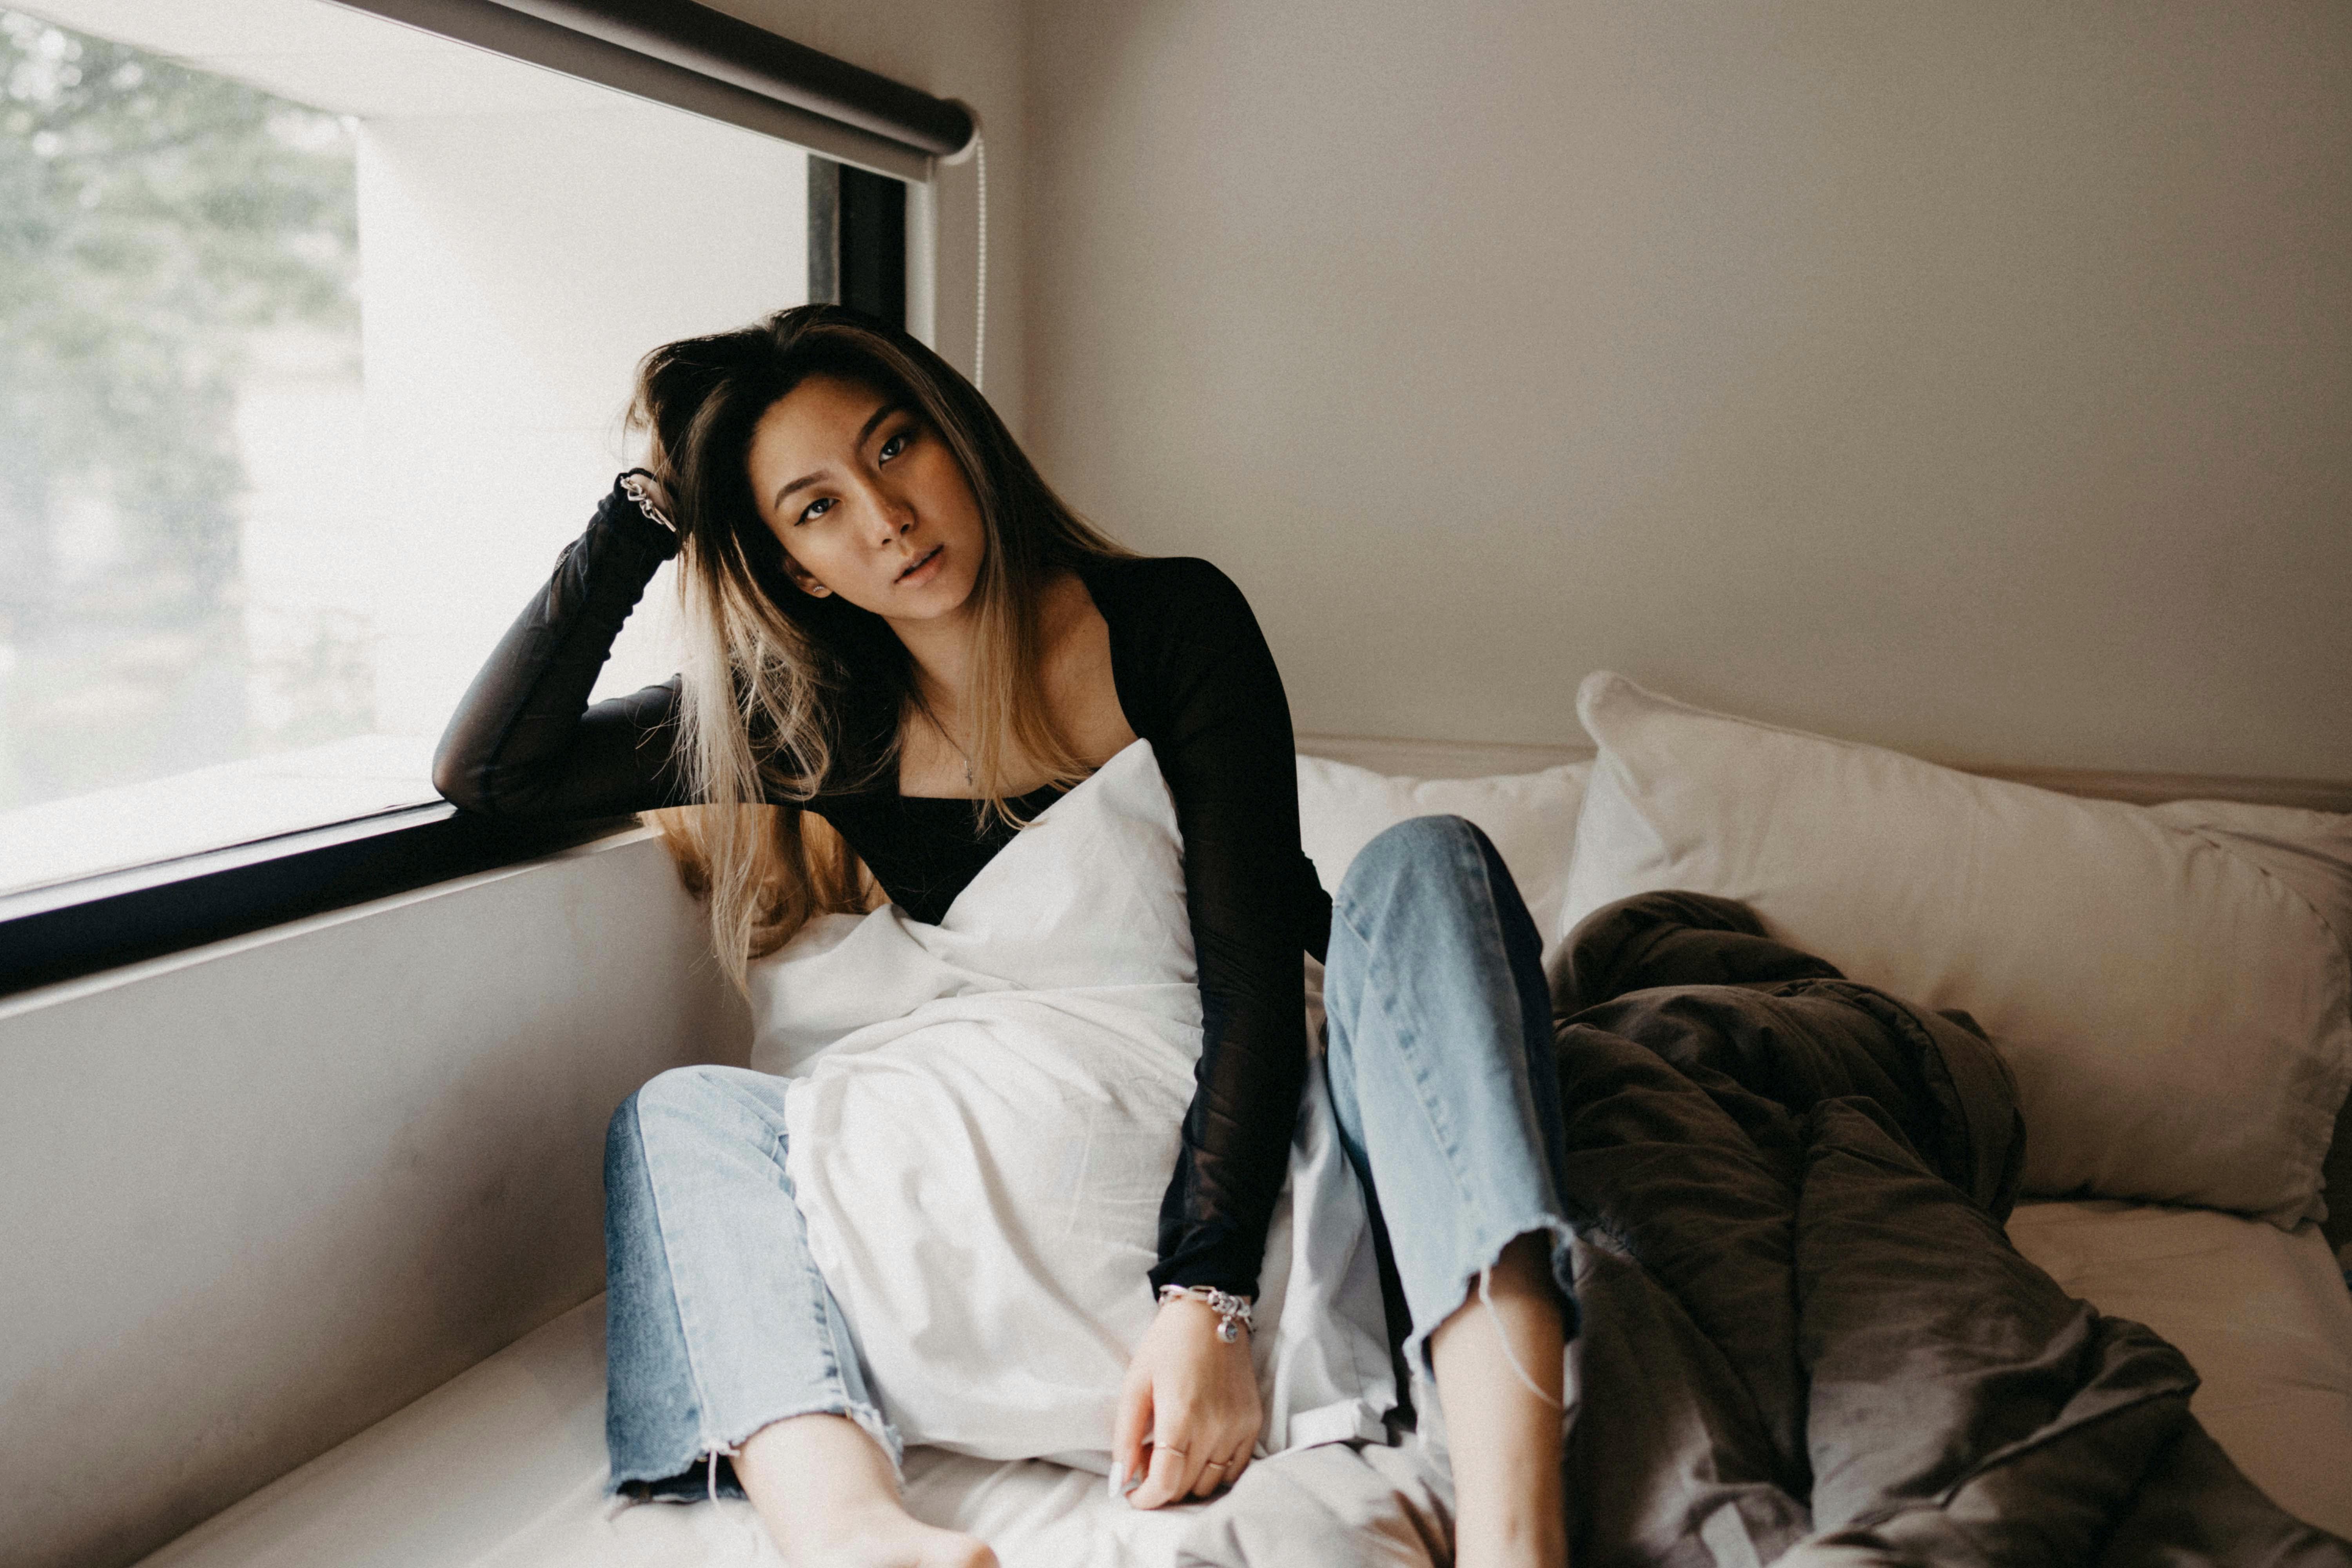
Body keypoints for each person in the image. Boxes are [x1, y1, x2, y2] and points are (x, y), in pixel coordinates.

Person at [433, 304, 1578, 1568]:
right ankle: (858, 1532)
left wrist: (1208, 1305)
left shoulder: (1171, 622)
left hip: (1286, 1104)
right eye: (814, 509)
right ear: (797, 568)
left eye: (893, 448)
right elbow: (496, 773)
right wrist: (651, 510)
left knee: (1428, 864)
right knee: (677, 1120)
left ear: (959, 441)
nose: (887, 519)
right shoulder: (810, 719)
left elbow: (1254, 985)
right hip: (1049, 1099)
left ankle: (1517, 1533)